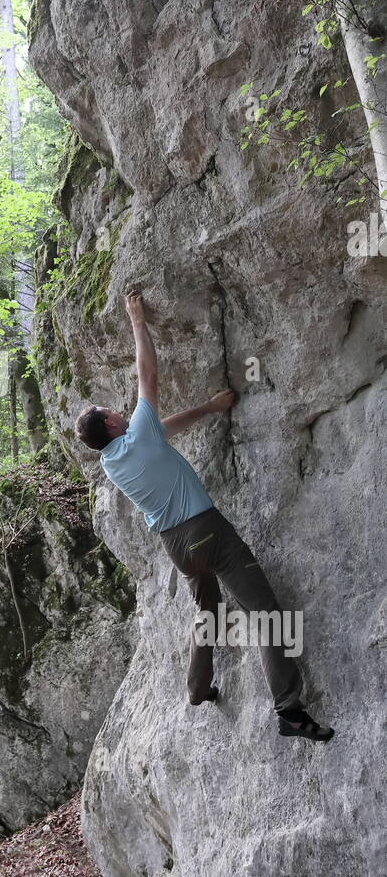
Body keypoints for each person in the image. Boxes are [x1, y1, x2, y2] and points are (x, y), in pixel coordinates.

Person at [75, 291, 333, 743]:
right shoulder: (136, 434)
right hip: (207, 531)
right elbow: (148, 376)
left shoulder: (114, 460)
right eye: (110, 411)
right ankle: (289, 709)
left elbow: (162, 428)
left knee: (207, 609)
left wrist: (212, 409)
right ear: (113, 425)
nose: (118, 410)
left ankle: (196, 687)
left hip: (177, 547)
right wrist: (137, 320)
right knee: (266, 613)